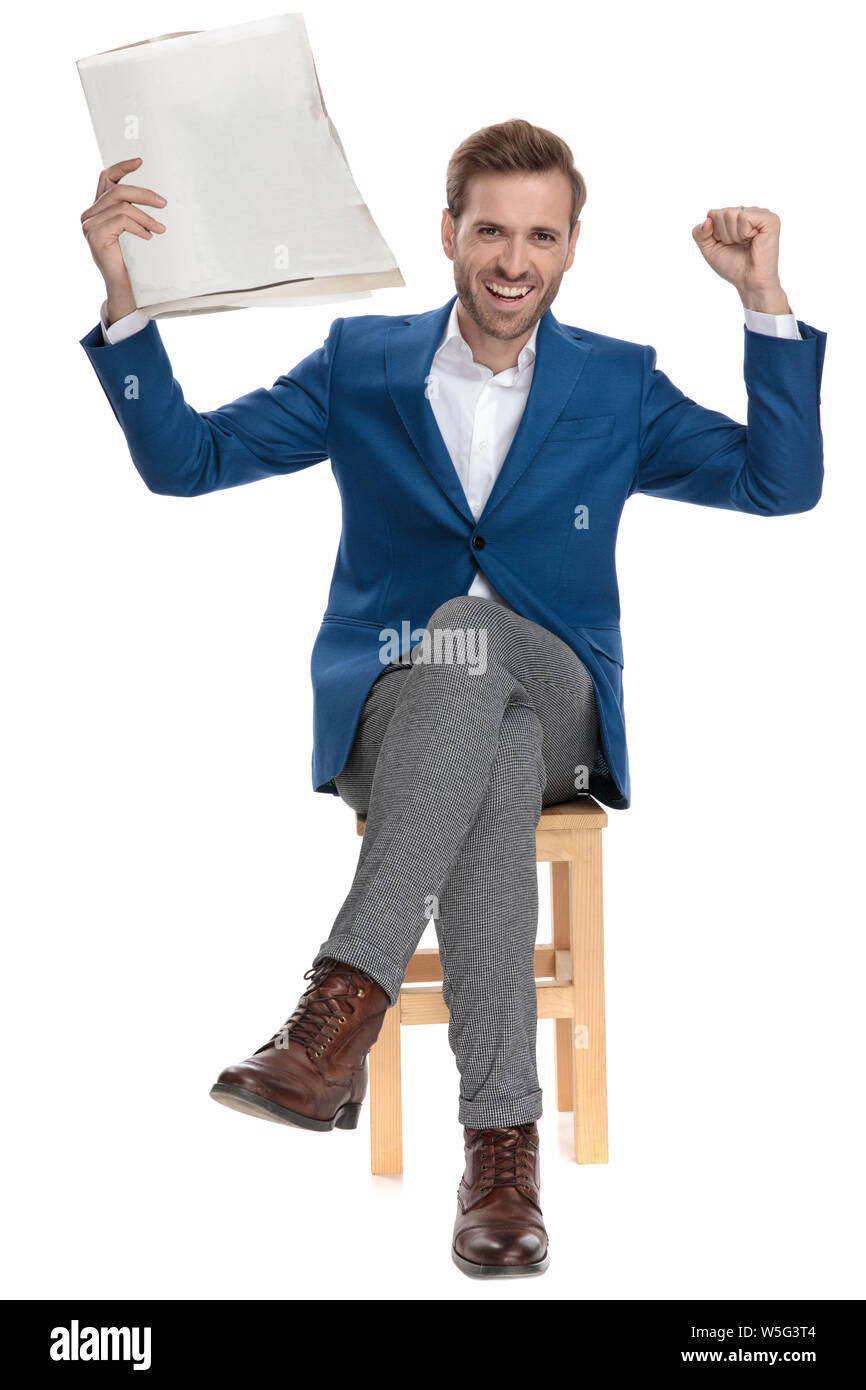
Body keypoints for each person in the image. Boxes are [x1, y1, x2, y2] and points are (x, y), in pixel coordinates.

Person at [79, 118, 826, 1279]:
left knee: (472, 635)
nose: (512, 258)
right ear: (448, 232)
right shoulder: (360, 362)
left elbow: (779, 486)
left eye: (539, 234)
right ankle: (499, 1155)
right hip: (396, 704)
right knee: (480, 749)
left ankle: (341, 1005)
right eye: (490, 228)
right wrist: (124, 295)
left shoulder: (615, 383)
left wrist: (761, 300)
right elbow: (187, 462)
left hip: (560, 687)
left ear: (571, 247)